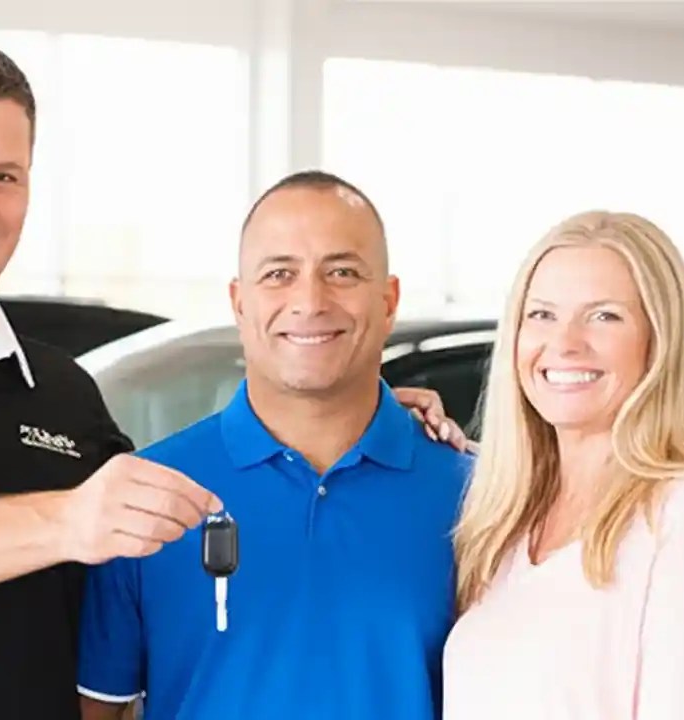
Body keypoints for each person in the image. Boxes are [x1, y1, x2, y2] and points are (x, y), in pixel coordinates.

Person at [0, 37, 464, 720]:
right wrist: (67, 520)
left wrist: (359, 416)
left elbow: (157, 519)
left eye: (3, 175)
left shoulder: (61, 393)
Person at [76, 170, 475, 720]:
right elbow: (103, 711)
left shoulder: (478, 498)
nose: (310, 300)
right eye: (279, 273)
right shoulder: (147, 497)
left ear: (388, 301)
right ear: (240, 303)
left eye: (342, 271)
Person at [442, 211, 684, 719]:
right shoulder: (502, 521)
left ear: (659, 343)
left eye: (604, 316)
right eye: (542, 314)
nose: (565, 342)